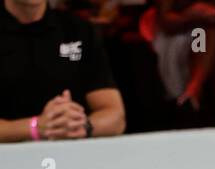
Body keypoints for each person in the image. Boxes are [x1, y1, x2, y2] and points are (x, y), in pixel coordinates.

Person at [0, 0, 126, 141]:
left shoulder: (78, 30)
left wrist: (81, 126)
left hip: (72, 157)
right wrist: (35, 127)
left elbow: (116, 117)